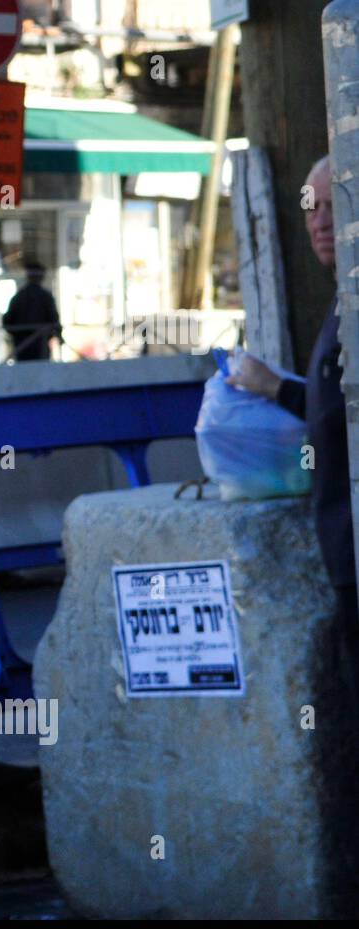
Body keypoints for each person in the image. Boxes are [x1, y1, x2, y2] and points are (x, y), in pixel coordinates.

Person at [227, 155, 357, 683]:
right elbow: (335, 412)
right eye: (311, 209)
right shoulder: (341, 300)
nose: (319, 222)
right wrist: (273, 388)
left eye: (333, 207)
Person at [2, 260, 61, 361]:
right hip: (37, 345)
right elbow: (54, 319)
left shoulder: (19, 297)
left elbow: (7, 321)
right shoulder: (44, 297)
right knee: (40, 371)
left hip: (24, 345)